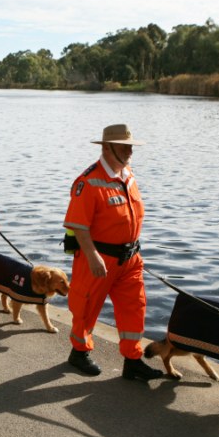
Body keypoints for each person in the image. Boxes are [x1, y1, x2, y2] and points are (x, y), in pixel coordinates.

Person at [63, 124, 163, 381]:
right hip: (97, 258)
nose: (129, 151)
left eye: (130, 146)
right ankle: (79, 352)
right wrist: (93, 256)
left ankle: (132, 361)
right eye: (123, 146)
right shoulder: (88, 182)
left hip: (130, 259)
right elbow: (78, 225)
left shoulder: (127, 175)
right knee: (86, 307)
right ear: (106, 147)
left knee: (135, 308)